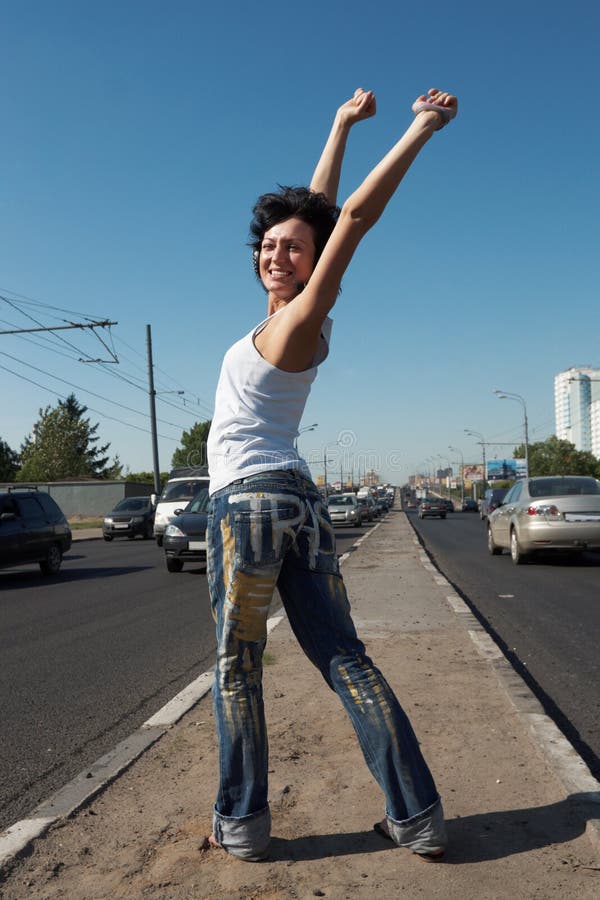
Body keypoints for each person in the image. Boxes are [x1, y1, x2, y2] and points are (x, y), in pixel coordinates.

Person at [206, 86, 458, 862]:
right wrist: (339, 126)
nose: (275, 254)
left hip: (248, 508)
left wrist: (419, 129)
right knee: (345, 659)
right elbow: (320, 212)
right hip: (300, 505)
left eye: (291, 250)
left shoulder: (298, 320)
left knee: (238, 671)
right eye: (267, 245)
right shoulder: (288, 320)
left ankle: (242, 823)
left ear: (313, 266)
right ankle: (417, 817)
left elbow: (346, 220)